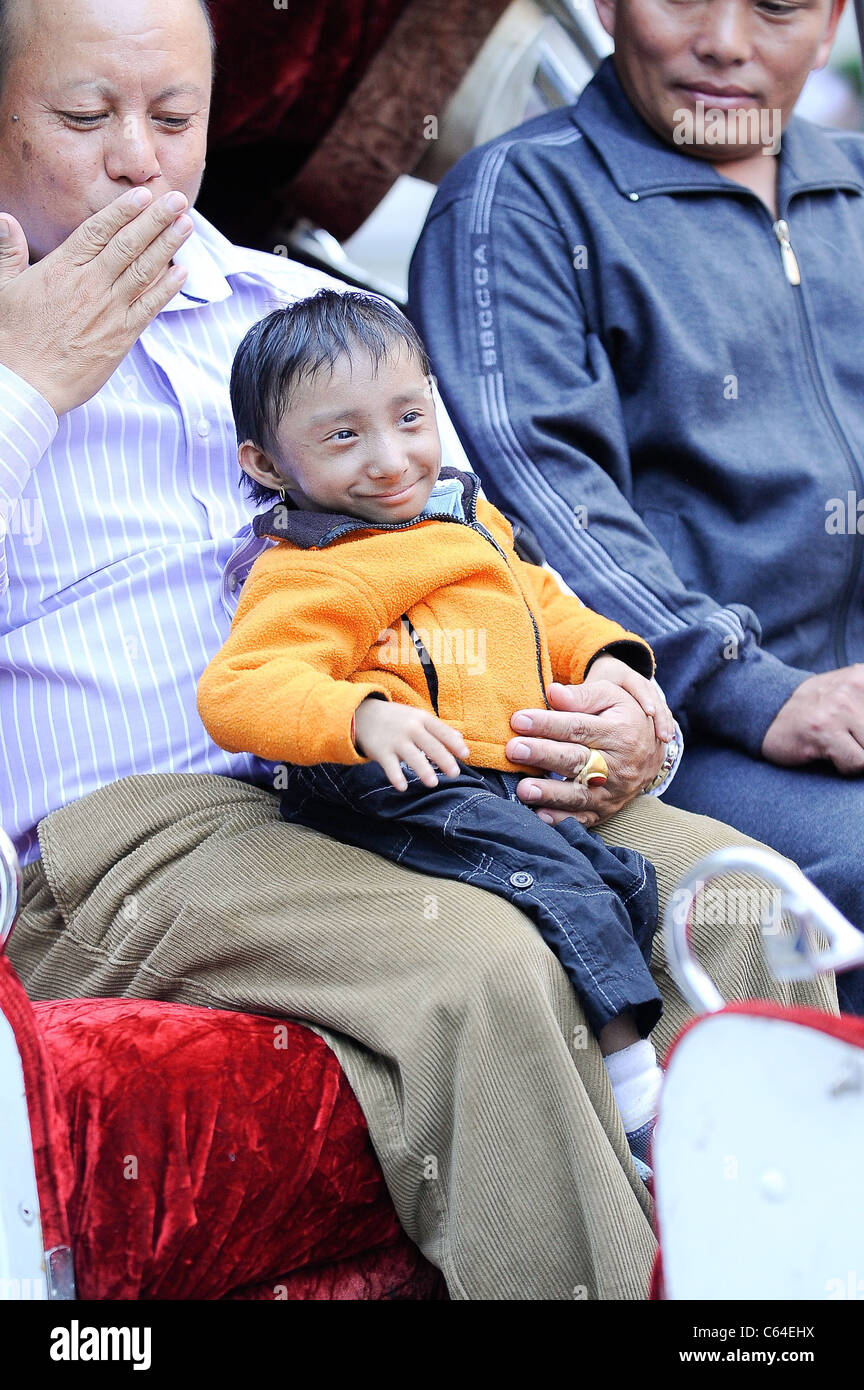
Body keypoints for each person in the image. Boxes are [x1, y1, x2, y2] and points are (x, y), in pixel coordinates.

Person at [0, 0, 837, 1300]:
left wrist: (628, 708)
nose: (137, 161)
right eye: (83, 116)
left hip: (409, 774)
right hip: (144, 828)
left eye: (173, 119)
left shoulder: (309, 313)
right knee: (482, 959)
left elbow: (488, 555)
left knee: (735, 894)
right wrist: (26, 385)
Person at [408, 0, 864, 1014]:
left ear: (833, 22)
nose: (726, 43)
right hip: (670, 736)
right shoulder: (518, 202)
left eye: (779, 7)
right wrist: (756, 687)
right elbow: (540, 487)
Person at [198, 288, 683, 1176]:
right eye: (342, 437)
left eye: (410, 418)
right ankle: (640, 1103)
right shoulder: (316, 565)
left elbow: (539, 604)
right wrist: (359, 714)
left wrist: (611, 661)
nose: (390, 460)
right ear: (267, 464)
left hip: (480, 771)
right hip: (388, 779)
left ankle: (616, 1070)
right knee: (551, 883)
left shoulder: (463, 515)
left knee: (621, 876)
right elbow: (240, 688)